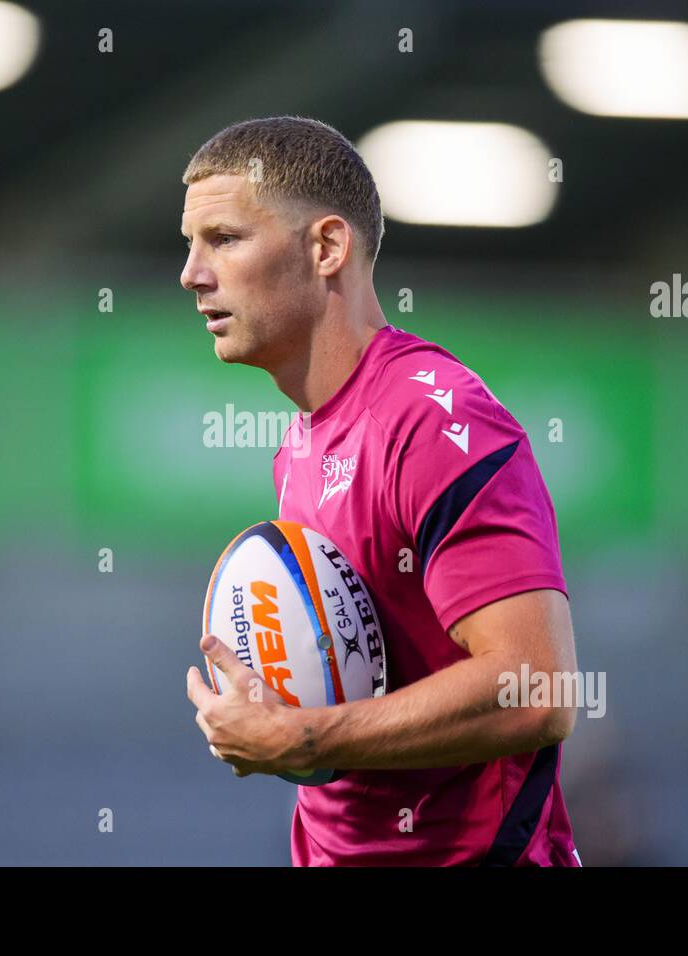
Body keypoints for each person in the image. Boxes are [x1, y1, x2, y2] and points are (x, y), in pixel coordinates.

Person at [181, 116, 581, 867]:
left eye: (225, 239)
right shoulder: (301, 443)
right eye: (191, 244)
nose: (193, 273)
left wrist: (301, 737)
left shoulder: (436, 420)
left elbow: (537, 691)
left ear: (326, 248)